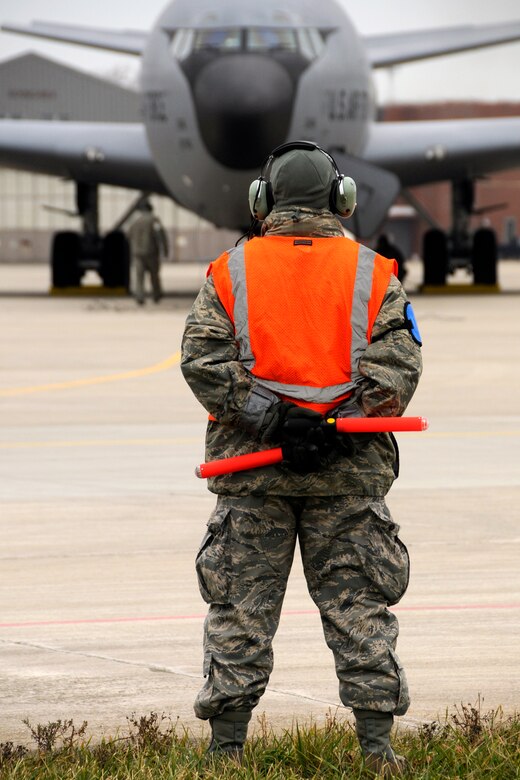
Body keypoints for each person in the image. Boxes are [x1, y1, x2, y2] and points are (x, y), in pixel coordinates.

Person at [181, 141, 423, 777]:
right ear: (342, 201)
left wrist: (271, 418)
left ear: (262, 202)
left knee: (239, 610)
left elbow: (202, 362)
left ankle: (224, 754)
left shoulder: (228, 272)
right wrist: (335, 426)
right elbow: (398, 367)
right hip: (348, 478)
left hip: (252, 474)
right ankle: (378, 752)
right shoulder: (375, 273)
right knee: (360, 608)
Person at [127, 200, 169, 304]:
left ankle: (140, 297)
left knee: (139, 276)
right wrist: (165, 249)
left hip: (137, 253)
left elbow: (129, 235)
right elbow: (160, 235)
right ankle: (156, 295)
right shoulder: (154, 220)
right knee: (154, 275)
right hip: (151, 253)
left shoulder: (135, 221)